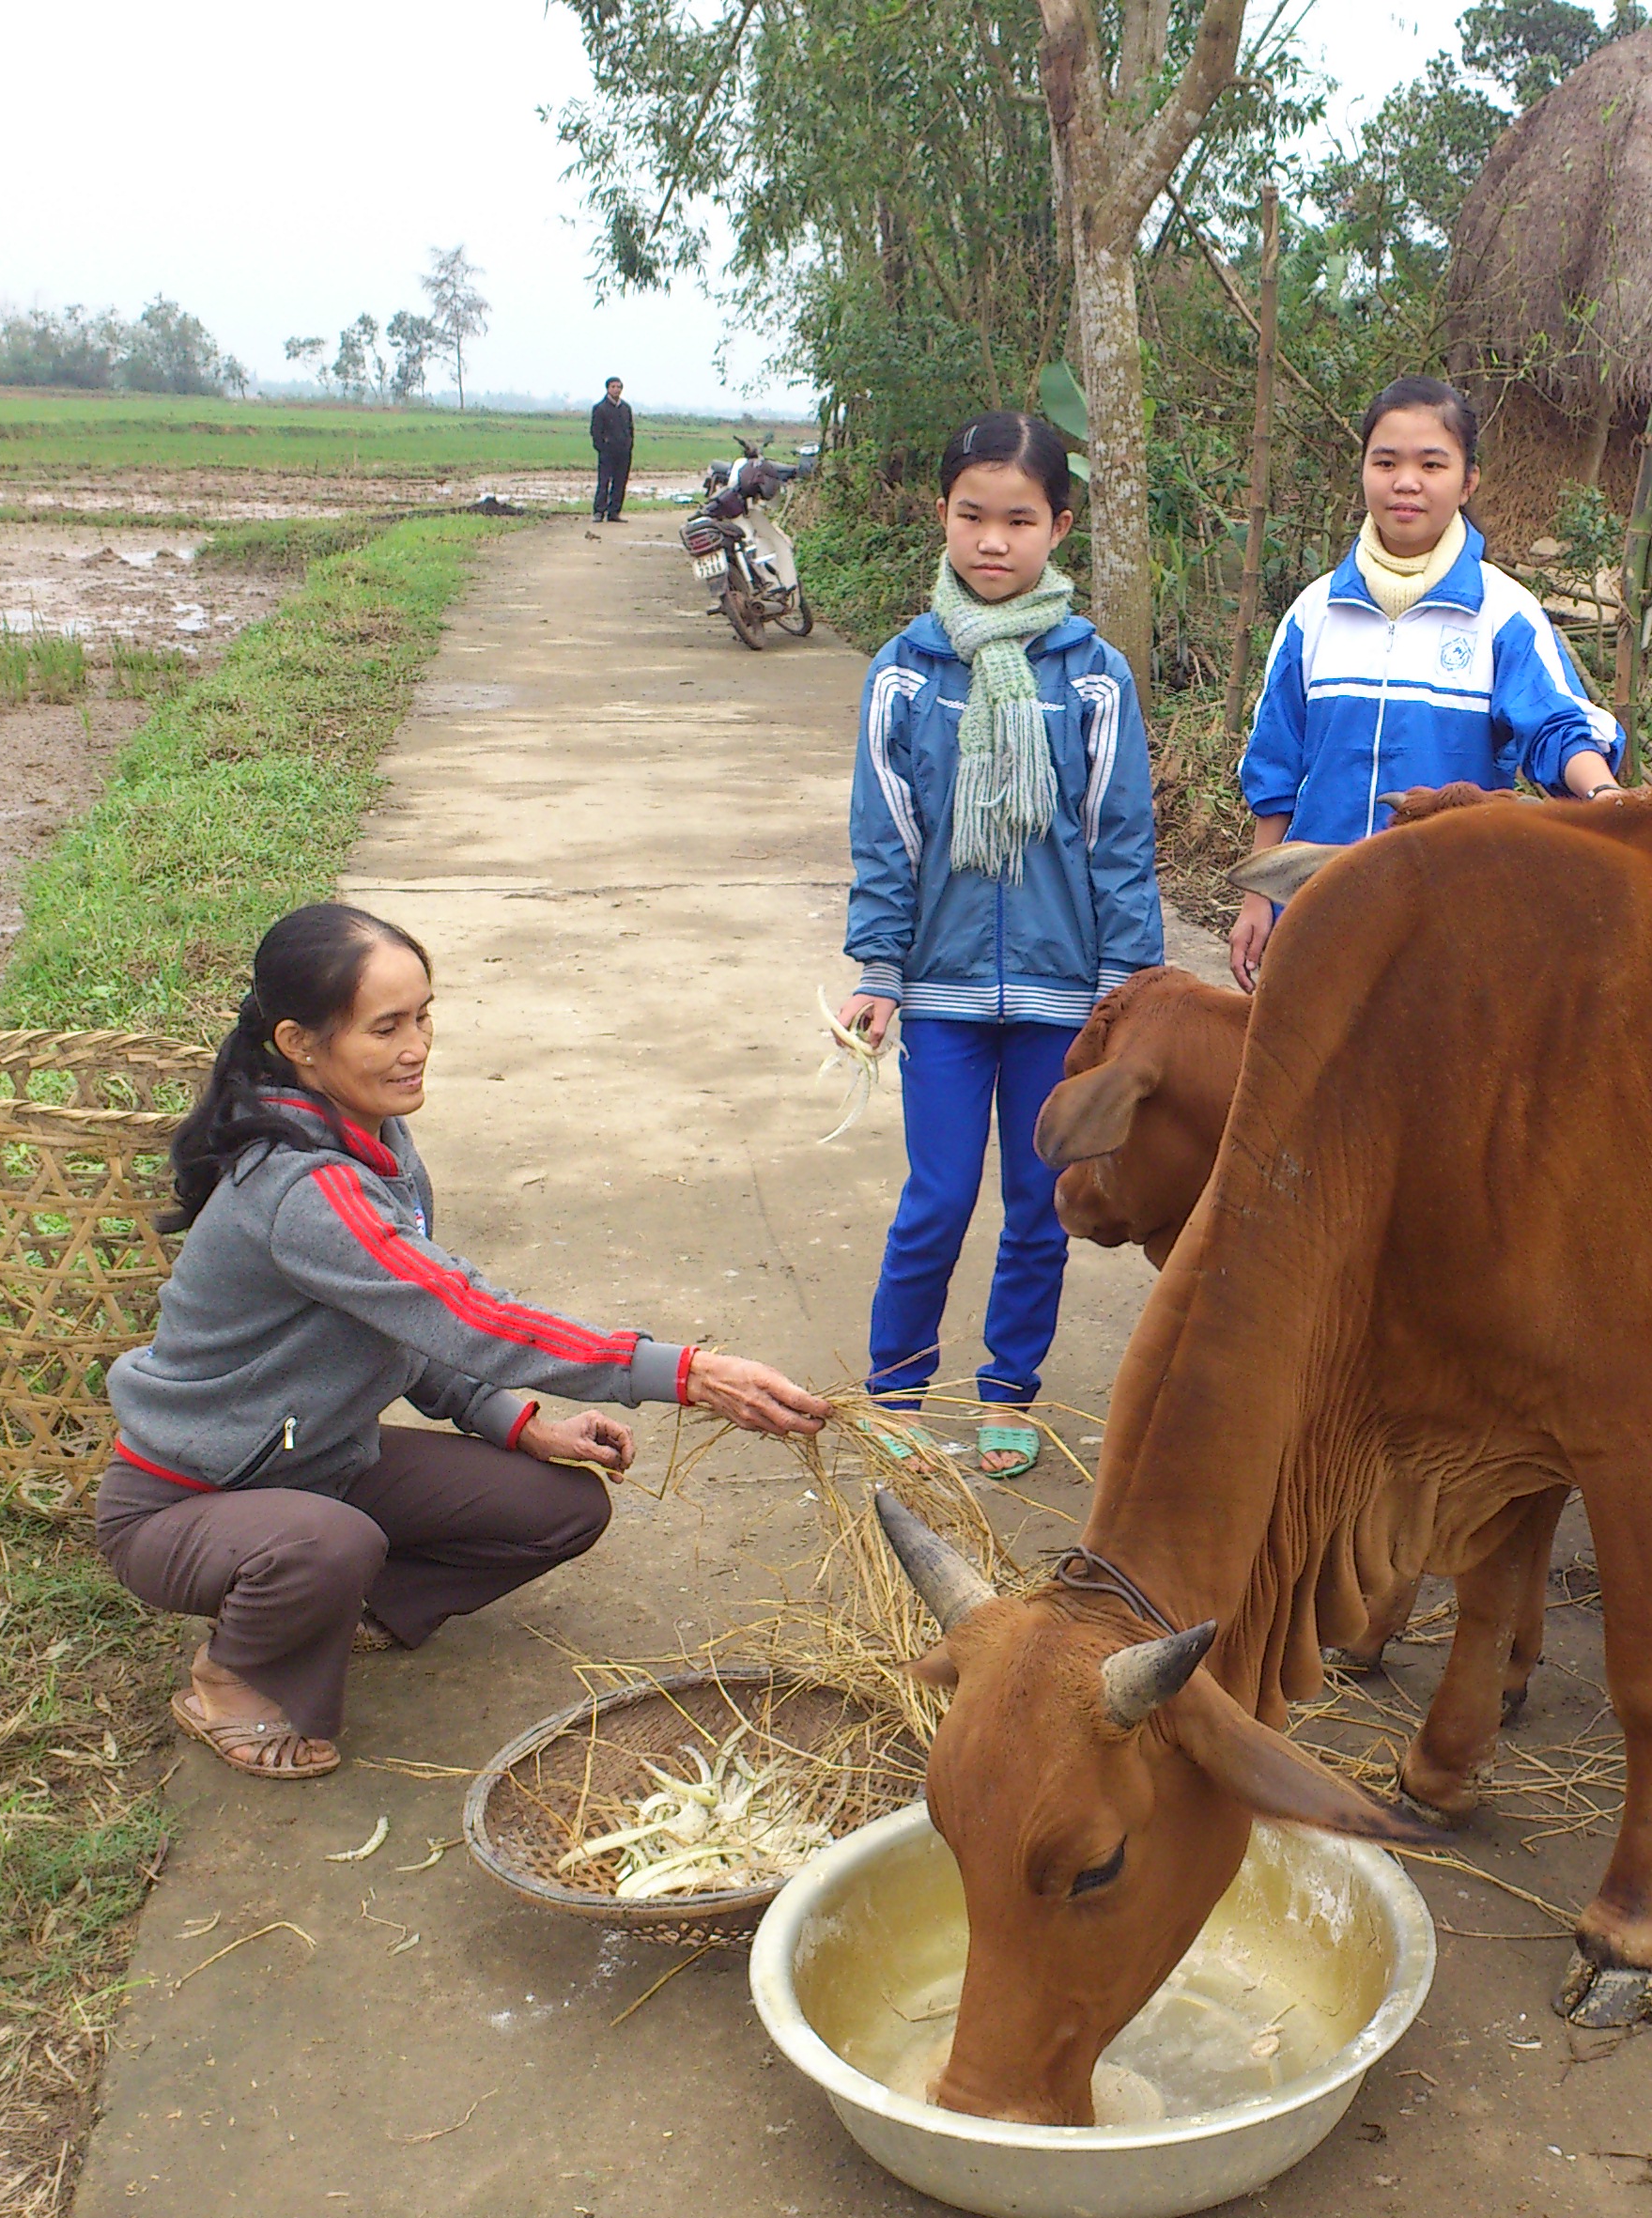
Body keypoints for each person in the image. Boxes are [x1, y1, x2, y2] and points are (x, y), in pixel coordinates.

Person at [100, 903, 830, 1781]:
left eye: (424, 1016)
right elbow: (467, 1314)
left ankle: (348, 1610)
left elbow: (411, 1322)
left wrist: (516, 1423)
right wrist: (687, 1372)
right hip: (187, 1498)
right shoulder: (305, 1189)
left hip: (318, 1459)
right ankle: (230, 1679)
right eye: (385, 1028)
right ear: (298, 1043)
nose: (417, 1047)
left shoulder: (376, 1139)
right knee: (329, 1543)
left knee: (560, 1507)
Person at [837, 411, 1162, 1479]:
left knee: (1037, 1204)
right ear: (941, 515)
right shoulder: (904, 673)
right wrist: (879, 969)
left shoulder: (1095, 676)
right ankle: (896, 1388)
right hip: (939, 990)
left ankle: (1009, 1390)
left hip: (1064, 996)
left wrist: (1125, 991)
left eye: (1019, 520)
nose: (991, 541)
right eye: (972, 515)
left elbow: (1118, 839)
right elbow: (887, 835)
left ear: (1059, 528)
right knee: (936, 1198)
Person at [1230, 376, 1625, 989]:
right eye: (1386, 462)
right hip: (1317, 907)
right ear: (1363, 471)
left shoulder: (1503, 612)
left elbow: (1556, 727)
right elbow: (1276, 766)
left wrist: (1605, 796)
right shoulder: (1315, 613)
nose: (1406, 482)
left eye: (1432, 464)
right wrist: (1259, 894)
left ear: (1468, 482)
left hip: (1455, 916)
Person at [590, 377, 634, 522]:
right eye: (613, 387)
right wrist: (602, 447)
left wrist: (629, 445)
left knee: (620, 482)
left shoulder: (626, 408)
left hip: (623, 452)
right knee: (604, 482)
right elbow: (595, 431)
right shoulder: (600, 408)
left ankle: (614, 512)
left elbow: (630, 429)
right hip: (607, 452)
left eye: (619, 387)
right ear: (608, 388)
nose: (616, 389)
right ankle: (599, 512)